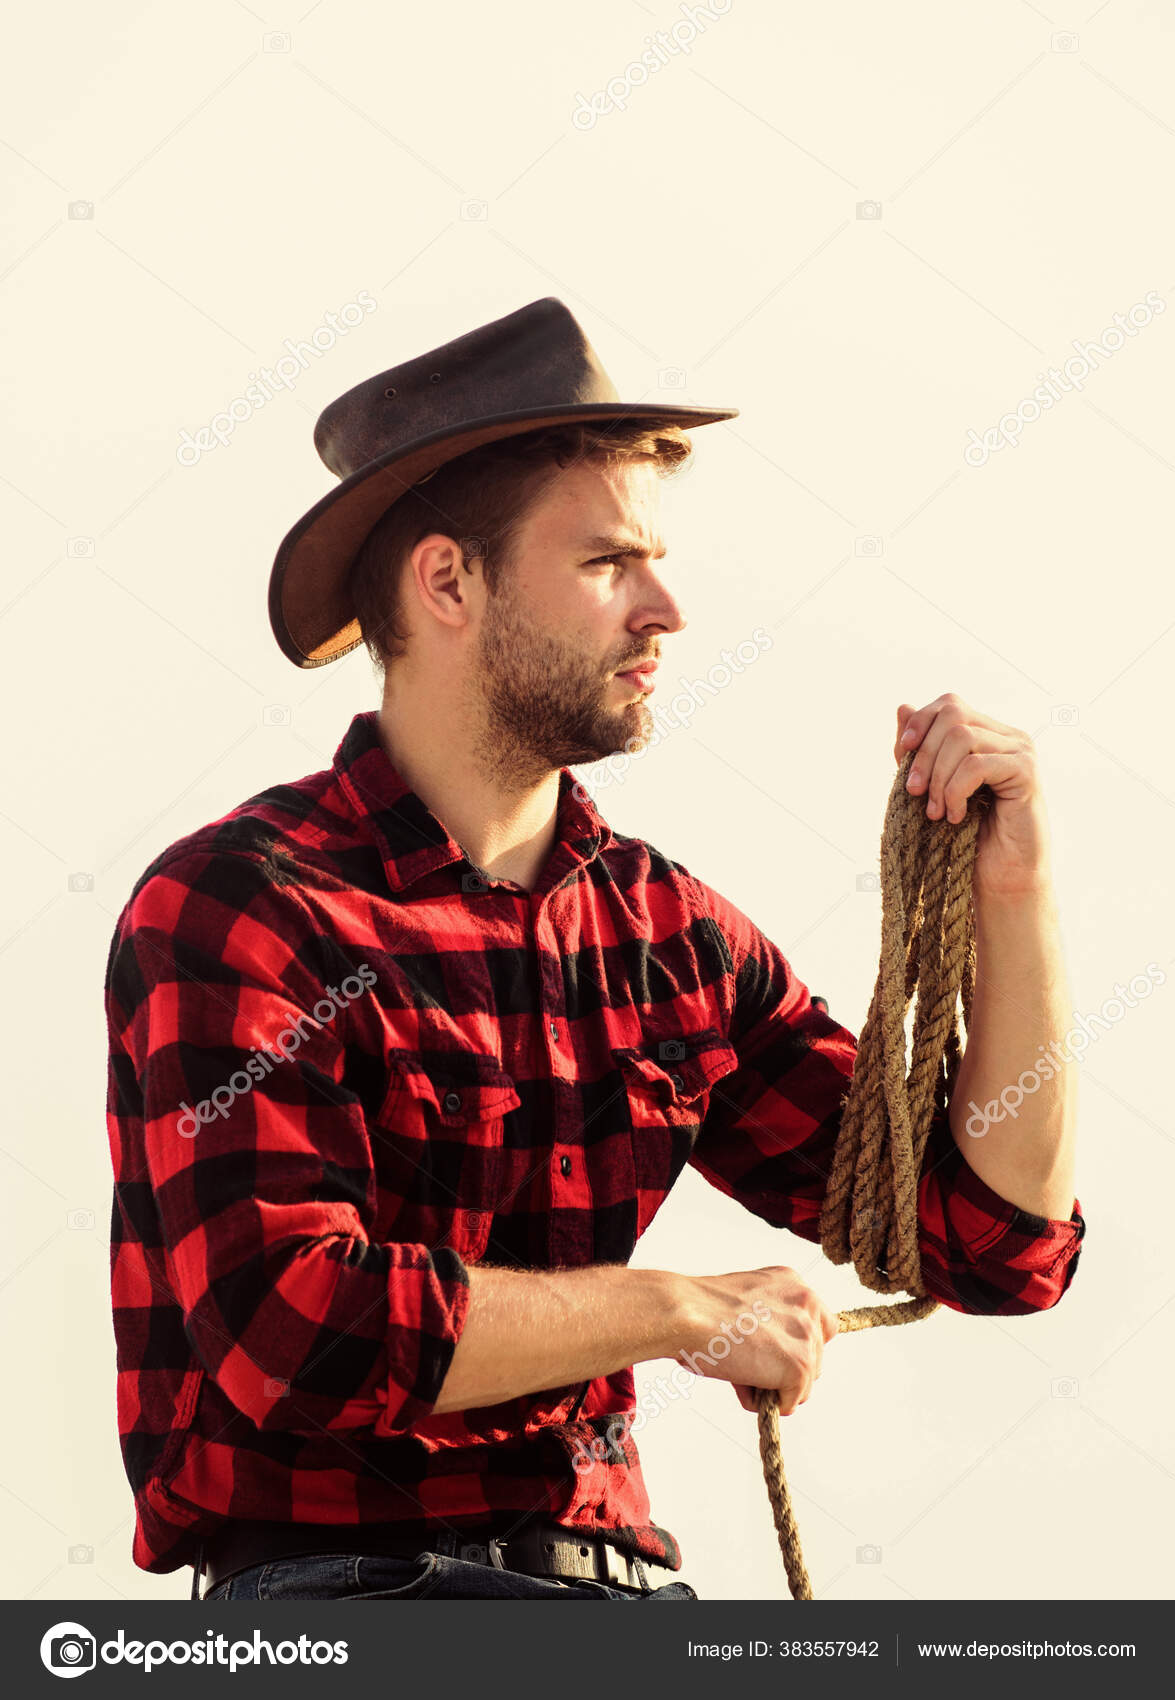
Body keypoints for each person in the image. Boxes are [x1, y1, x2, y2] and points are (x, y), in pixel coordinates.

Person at [103, 298, 1085, 1604]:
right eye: (608, 563)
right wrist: (679, 1312)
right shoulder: (244, 907)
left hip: (620, 1602)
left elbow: (991, 1242)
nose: (666, 608)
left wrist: (1016, 897)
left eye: (656, 560)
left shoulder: (667, 938)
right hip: (345, 1606)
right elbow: (298, 1332)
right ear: (448, 581)